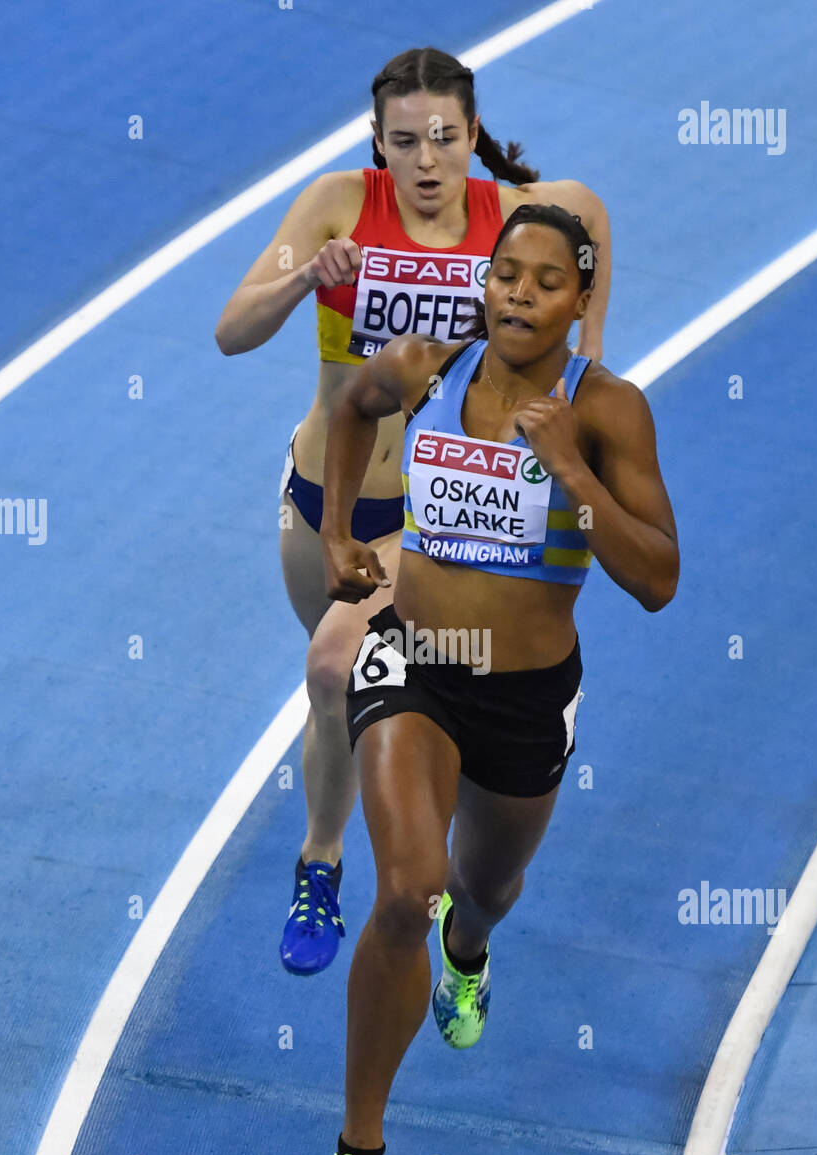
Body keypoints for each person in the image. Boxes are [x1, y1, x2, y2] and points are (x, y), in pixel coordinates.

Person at [299, 203, 679, 1155]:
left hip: (524, 699)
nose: (515, 292)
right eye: (503, 272)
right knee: (404, 887)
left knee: (481, 889)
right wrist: (338, 532)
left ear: (579, 298)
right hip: (417, 662)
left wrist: (574, 473)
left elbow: (656, 578)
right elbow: (355, 402)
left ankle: (470, 953)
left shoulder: (606, 410)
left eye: (543, 280)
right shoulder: (430, 362)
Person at [214, 48, 611, 975]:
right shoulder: (337, 206)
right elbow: (232, 331)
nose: (426, 162)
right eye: (404, 143)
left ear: (472, 134)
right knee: (343, 690)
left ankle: (338, 868)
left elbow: (587, 215)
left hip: (437, 522)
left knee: (333, 663)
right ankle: (385, 865)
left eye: (444, 139)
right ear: (377, 144)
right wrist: (306, 277)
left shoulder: (510, 220)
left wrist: (593, 363)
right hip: (322, 499)